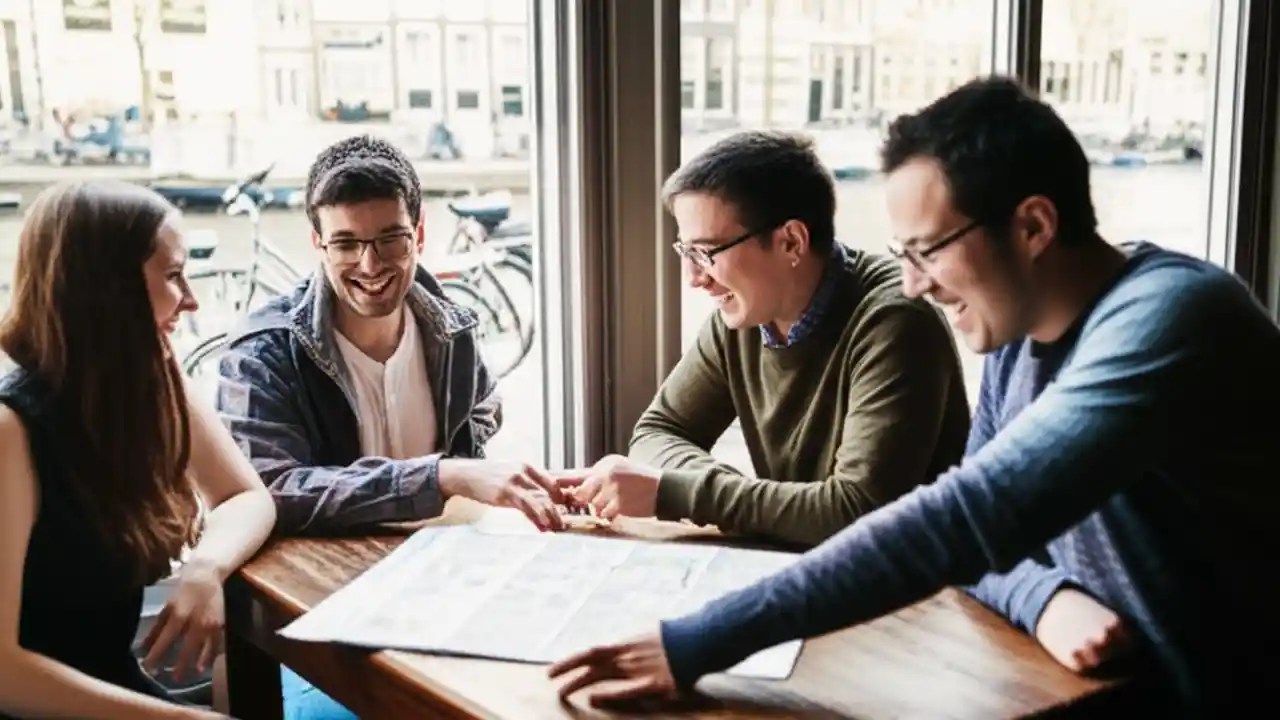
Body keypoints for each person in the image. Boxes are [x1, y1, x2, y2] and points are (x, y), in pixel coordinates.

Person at [547, 77, 1280, 714]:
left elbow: (964, 520)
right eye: (903, 255)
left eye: (927, 251)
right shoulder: (1017, 333)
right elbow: (985, 535)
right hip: (1093, 689)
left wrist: (700, 640)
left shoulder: (1175, 321)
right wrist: (1044, 597)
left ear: (1033, 226)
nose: (913, 283)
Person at [215, 135, 566, 719]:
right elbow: (271, 491)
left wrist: (473, 471)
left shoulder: (453, 327)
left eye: (390, 240)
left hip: (446, 590)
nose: (371, 266)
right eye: (347, 244)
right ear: (317, 243)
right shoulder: (263, 352)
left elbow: (482, 407)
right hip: (323, 607)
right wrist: (444, 474)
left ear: (419, 235)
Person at [558, 130, 971, 548]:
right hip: (808, 566)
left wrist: (676, 493)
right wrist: (737, 499)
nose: (694, 278)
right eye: (686, 252)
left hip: (917, 586)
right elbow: (658, 431)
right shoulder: (743, 318)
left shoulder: (895, 322)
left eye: (706, 253)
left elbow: (857, 509)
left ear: (791, 241)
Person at [0, 181, 277, 718]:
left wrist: (206, 569)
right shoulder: (11, 430)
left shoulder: (152, 378)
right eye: (174, 276)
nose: (191, 300)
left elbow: (248, 497)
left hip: (111, 691)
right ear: (109, 289)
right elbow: (4, 673)